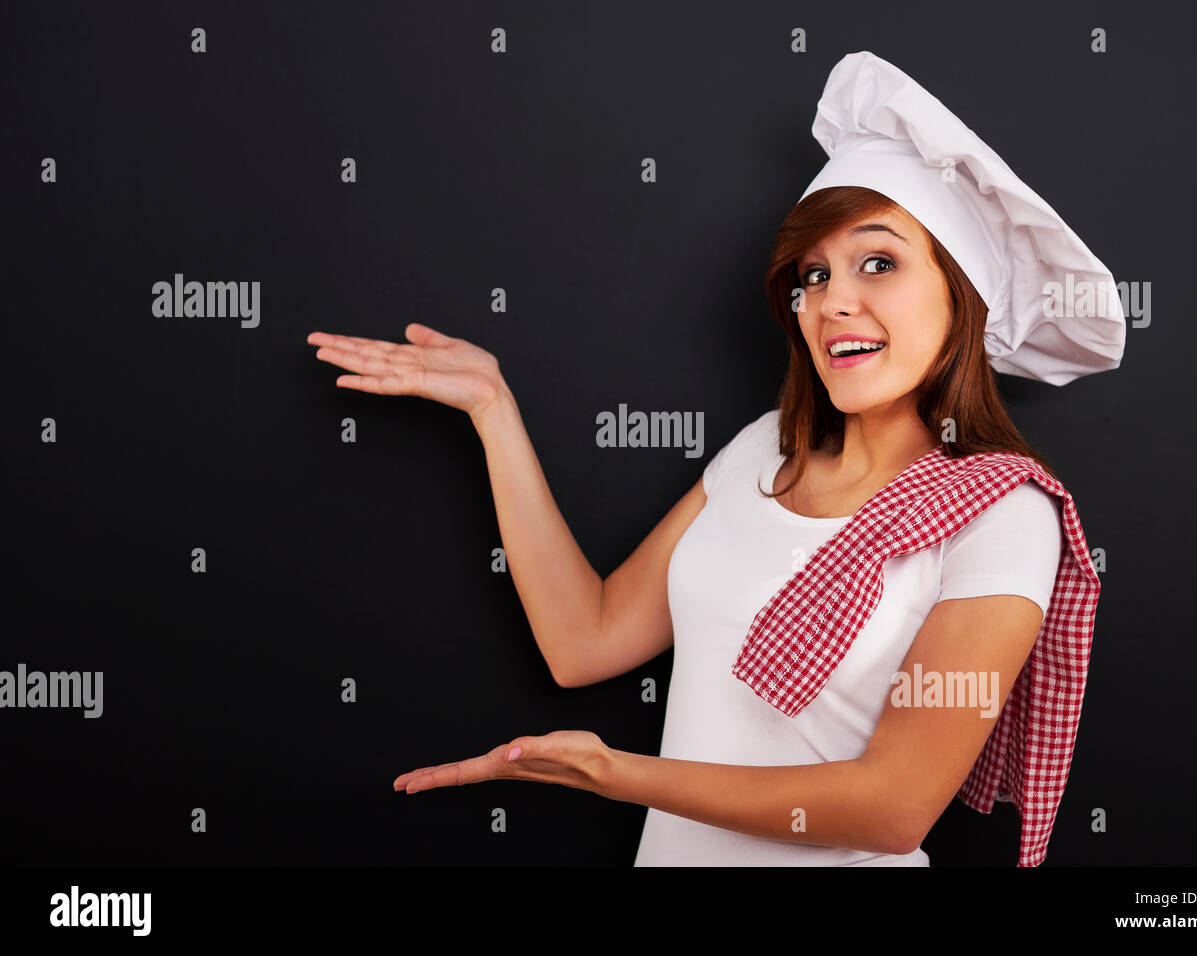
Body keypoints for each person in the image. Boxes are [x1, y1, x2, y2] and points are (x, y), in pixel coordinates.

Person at [309, 50, 1124, 866]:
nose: (833, 300)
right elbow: (582, 641)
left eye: (880, 262)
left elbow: (894, 809)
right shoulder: (759, 453)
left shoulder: (1002, 514)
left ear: (961, 297)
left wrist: (620, 776)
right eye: (813, 273)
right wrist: (494, 409)